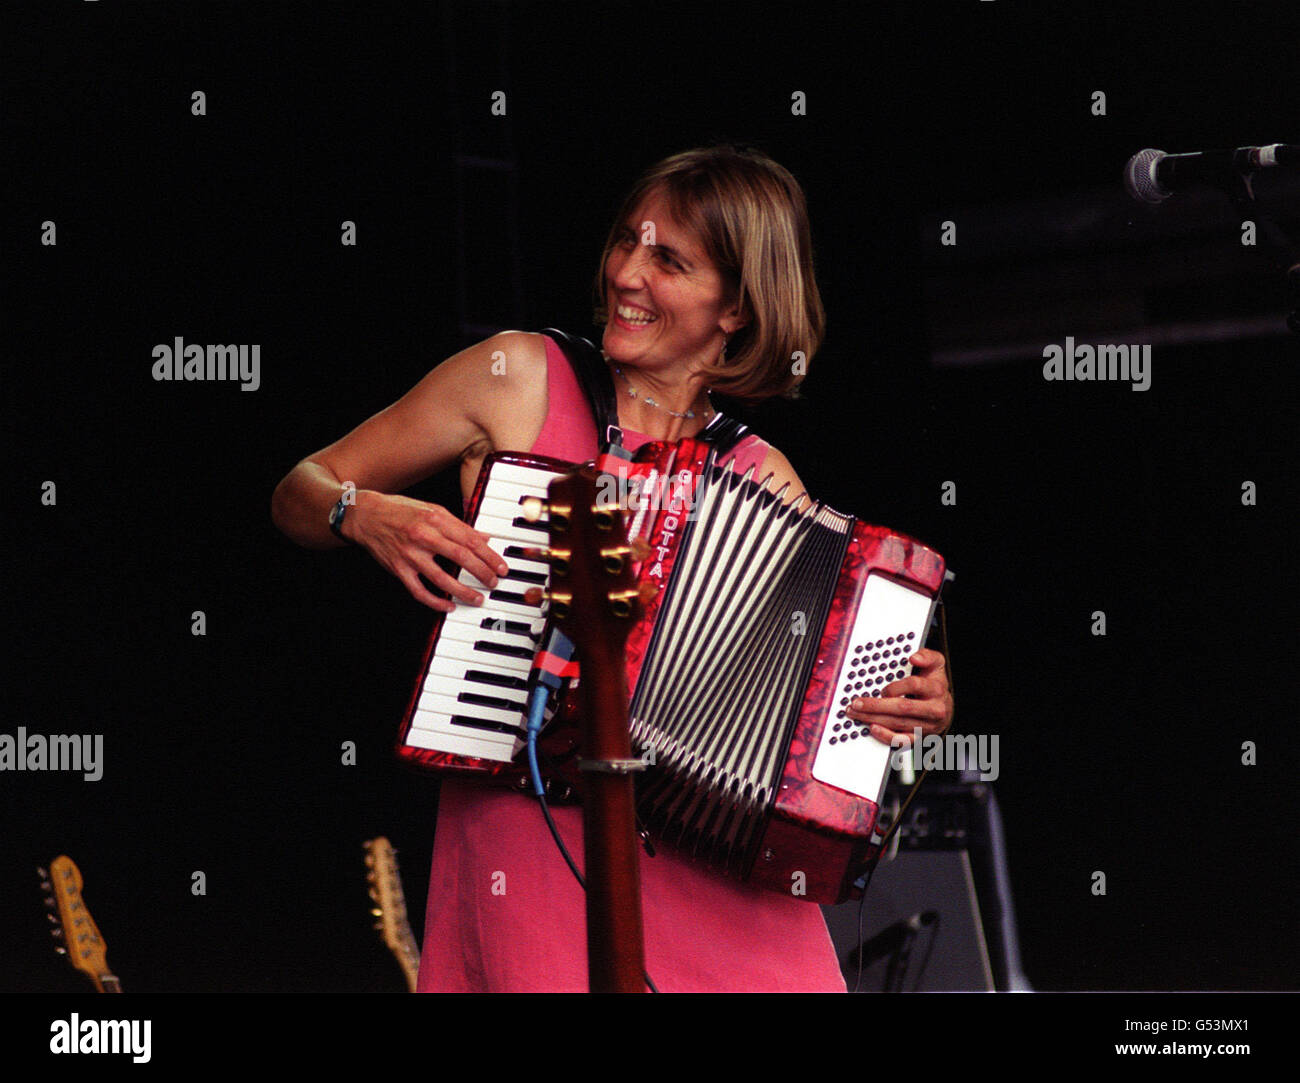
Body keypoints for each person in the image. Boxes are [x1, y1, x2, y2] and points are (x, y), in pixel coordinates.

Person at [271, 145, 954, 991]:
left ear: (737, 307)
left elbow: (816, 733)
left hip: (707, 866)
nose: (627, 273)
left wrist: (907, 707)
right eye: (629, 242)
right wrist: (361, 511)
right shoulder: (520, 377)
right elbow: (299, 489)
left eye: (668, 260)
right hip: (529, 832)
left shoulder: (764, 479)